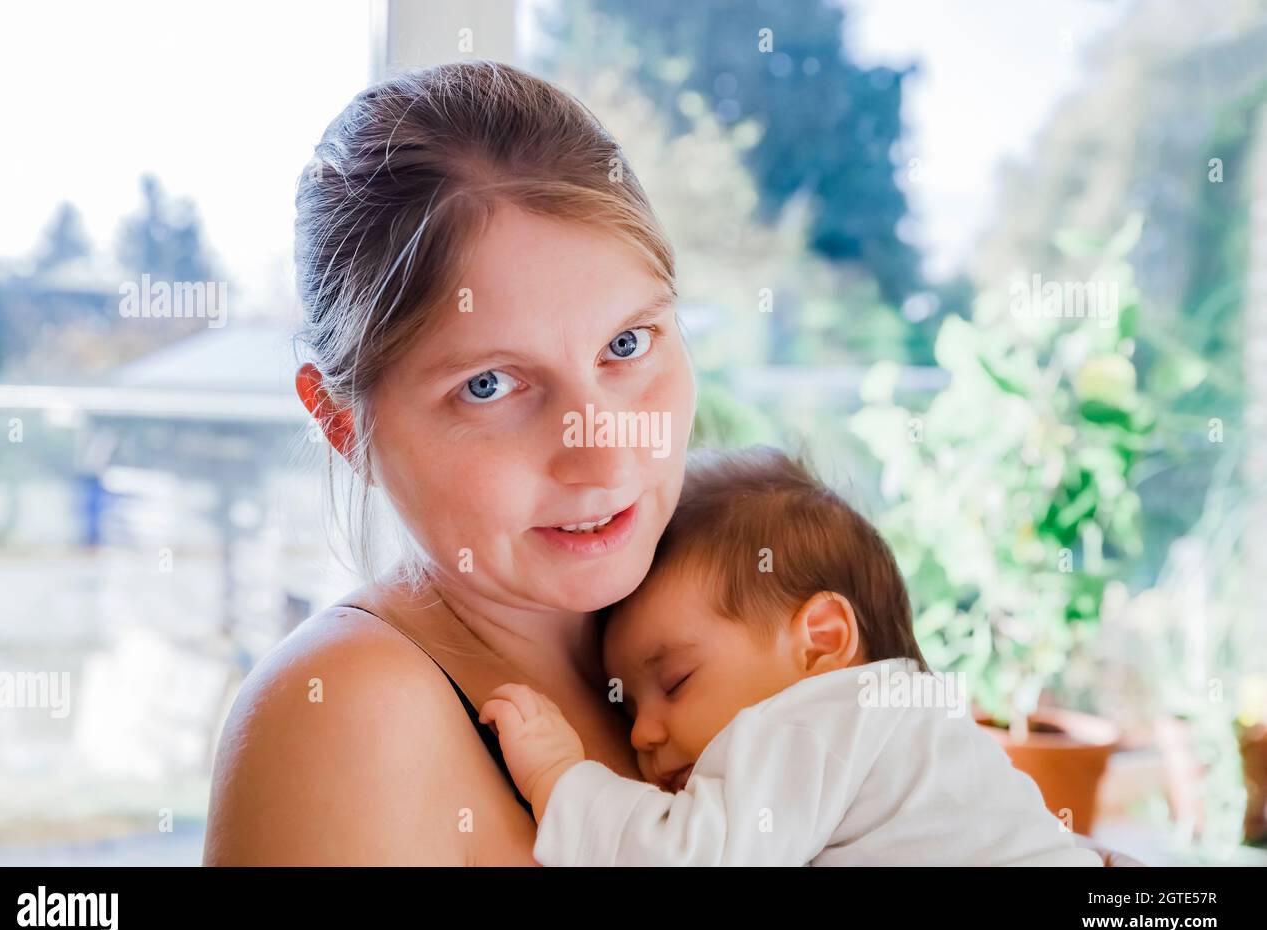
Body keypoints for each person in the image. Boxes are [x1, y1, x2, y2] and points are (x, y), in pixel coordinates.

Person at [201, 60, 1136, 867]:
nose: (606, 451)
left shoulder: (717, 594)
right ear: (340, 423)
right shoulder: (348, 717)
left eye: (628, 344)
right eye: (489, 386)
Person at [479, 447, 1102, 866]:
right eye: (628, 707)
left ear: (822, 642)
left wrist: (558, 779)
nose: (642, 732)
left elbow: (697, 858)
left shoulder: (816, 719)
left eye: (676, 680)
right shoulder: (885, 726)